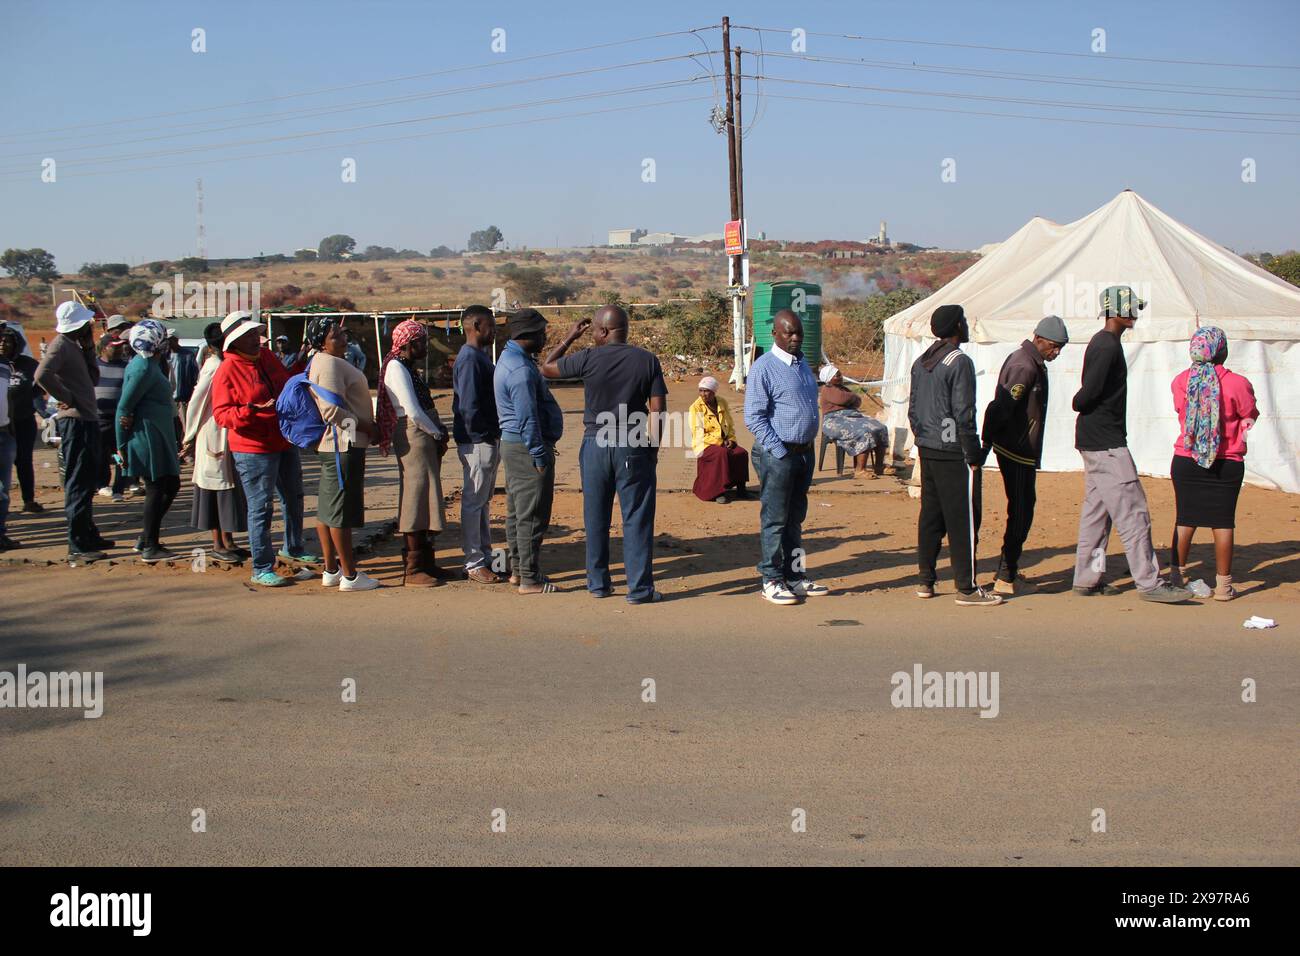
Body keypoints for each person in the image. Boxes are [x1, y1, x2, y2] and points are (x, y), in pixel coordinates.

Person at [543, 305, 668, 604]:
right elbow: (658, 409)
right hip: (633, 443)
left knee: (595, 517)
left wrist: (569, 338)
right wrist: (652, 448)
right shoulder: (647, 360)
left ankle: (598, 585)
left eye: (593, 331)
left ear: (601, 331)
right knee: (636, 518)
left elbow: (546, 367)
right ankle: (639, 590)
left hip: (595, 444)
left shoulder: (587, 358)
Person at [1072, 286, 1189, 602]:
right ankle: (1149, 583)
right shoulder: (1107, 346)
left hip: (1093, 440)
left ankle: (1087, 577)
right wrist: (1078, 402)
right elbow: (1089, 392)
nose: (1135, 314)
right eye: (1131, 308)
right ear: (1118, 311)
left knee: (1098, 513)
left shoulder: (1104, 343)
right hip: (1107, 443)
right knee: (1133, 512)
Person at [212, 310, 316, 587]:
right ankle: (261, 566)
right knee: (261, 507)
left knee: (293, 496)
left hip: (282, 439)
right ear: (234, 342)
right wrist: (250, 411)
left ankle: (293, 547)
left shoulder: (267, 357)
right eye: (248, 336)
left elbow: (285, 381)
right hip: (253, 447)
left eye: (255, 334)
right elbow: (222, 415)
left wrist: (302, 364)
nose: (256, 339)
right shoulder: (227, 370)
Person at [909, 304, 1001, 606]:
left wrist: (924, 438)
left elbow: (913, 409)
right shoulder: (959, 361)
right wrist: (972, 451)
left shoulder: (922, 361)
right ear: (955, 327)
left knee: (931, 516)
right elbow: (964, 412)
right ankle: (966, 587)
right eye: (963, 321)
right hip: (952, 451)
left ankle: (926, 580)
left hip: (928, 447)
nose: (966, 325)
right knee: (963, 519)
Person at [743, 309, 828, 606]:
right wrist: (779, 451)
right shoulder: (763, 368)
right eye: (789, 333)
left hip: (804, 453)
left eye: (799, 333)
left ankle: (794, 575)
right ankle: (771, 579)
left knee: (795, 518)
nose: (796, 338)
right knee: (775, 519)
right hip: (777, 454)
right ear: (775, 335)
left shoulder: (803, 364)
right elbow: (753, 417)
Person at [980, 315, 1069, 596]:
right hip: (1015, 450)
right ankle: (1006, 575)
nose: (1056, 352)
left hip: (1020, 448)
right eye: (1053, 346)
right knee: (1021, 510)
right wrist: (986, 442)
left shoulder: (1032, 362)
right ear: (1038, 338)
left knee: (1022, 508)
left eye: (1060, 348)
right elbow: (1000, 407)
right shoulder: (1024, 365)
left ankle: (1009, 570)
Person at [1168, 327, 1259, 602]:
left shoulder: (1181, 381)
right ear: (1221, 350)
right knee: (1223, 523)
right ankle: (1223, 586)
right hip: (1227, 461)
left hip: (1186, 459)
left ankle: (1177, 577)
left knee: (1185, 519)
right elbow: (1250, 414)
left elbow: (1178, 411)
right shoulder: (1238, 383)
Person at [35, 301, 113, 563]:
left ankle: (88, 535)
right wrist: (66, 397)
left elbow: (92, 379)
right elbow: (42, 374)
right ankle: (77, 544)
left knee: (87, 480)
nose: (91, 327)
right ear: (78, 324)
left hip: (86, 419)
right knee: (78, 483)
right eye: (87, 324)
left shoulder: (75, 347)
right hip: (75, 421)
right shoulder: (60, 345)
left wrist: (90, 348)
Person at [307, 316, 380, 592]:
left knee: (327, 510)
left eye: (341, 333)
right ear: (322, 342)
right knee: (340, 513)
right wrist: (366, 427)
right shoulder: (329, 364)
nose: (343, 338)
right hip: (343, 445)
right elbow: (331, 411)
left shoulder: (325, 361)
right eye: (335, 335)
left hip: (337, 445)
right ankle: (349, 575)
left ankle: (331, 570)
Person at [494, 309, 563, 594]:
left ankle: (519, 572)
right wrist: (538, 454)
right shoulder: (520, 370)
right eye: (542, 333)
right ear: (529, 335)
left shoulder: (511, 359)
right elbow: (527, 418)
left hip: (514, 445)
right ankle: (529, 579)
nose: (545, 337)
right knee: (532, 514)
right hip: (525, 447)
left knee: (518, 512)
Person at [376, 319, 448, 588]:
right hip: (414, 436)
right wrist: (437, 433)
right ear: (408, 344)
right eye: (421, 342)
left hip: (423, 435)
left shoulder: (406, 367)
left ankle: (427, 563)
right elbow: (413, 412)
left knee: (426, 497)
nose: (426, 346)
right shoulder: (396, 367)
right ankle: (414, 567)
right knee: (415, 499)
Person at [181, 321, 248, 563]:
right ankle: (218, 543)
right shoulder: (214, 366)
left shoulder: (225, 363)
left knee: (227, 484)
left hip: (225, 432)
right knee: (216, 487)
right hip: (213, 433)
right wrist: (189, 435)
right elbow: (197, 402)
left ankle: (228, 540)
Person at [116, 320, 182, 562]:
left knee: (171, 485)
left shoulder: (151, 364)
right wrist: (121, 445)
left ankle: (146, 537)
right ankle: (150, 546)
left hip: (158, 435)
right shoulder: (142, 367)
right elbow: (124, 406)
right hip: (147, 437)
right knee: (156, 488)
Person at [453, 305, 503, 584]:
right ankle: (473, 562)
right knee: (474, 502)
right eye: (491, 326)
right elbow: (469, 405)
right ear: (476, 325)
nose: (494, 331)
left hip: (483, 438)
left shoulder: (477, 356)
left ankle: (483, 556)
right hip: (477, 441)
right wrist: (482, 435)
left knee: (482, 502)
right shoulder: (471, 358)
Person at [818, 364, 891, 479]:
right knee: (864, 432)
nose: (840, 377)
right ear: (829, 378)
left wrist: (851, 398)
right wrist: (852, 397)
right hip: (834, 420)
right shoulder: (828, 389)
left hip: (851, 416)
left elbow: (857, 401)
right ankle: (859, 470)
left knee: (880, 427)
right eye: (837, 375)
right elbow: (843, 399)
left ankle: (879, 466)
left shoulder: (842, 389)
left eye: (839, 374)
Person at [2, 324, 44, 514]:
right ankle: (4, 505)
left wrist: (33, 399)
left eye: (8, 341)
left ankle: (29, 500)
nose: (3, 344)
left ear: (16, 343)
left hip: (24, 420)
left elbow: (41, 386)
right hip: (2, 423)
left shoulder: (28, 364)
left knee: (24, 461)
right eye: (1, 340)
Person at [688, 375, 749, 503]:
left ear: (714, 392)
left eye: (706, 391)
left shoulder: (722, 402)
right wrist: (721, 442)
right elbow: (697, 432)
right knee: (721, 453)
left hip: (724, 441)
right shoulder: (695, 407)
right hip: (704, 444)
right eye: (701, 390)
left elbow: (730, 424)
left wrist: (731, 439)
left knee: (741, 453)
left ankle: (741, 489)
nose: (703, 394)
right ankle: (718, 492)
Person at [94, 331, 131, 500]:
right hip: (98, 420)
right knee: (100, 454)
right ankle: (102, 484)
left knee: (119, 454)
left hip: (118, 420)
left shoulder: (126, 366)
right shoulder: (94, 366)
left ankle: (118, 489)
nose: (118, 350)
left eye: (120, 347)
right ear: (103, 348)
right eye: (113, 347)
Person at [0, 328, 20, 549]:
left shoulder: (5, 365)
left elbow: (7, 398)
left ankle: (1, 534)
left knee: (3, 491)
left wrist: (11, 425)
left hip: (4, 433)